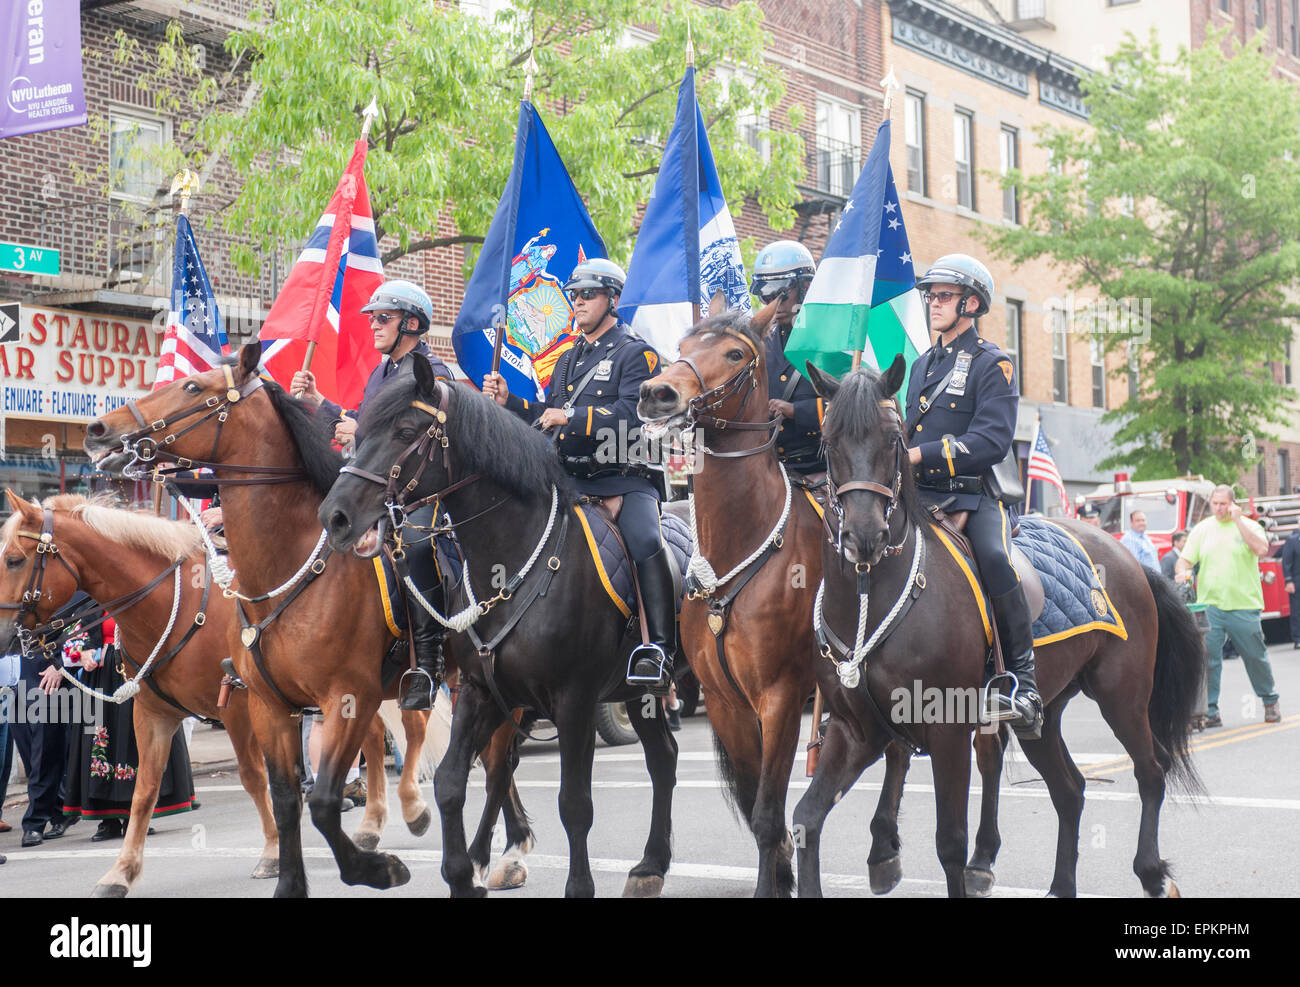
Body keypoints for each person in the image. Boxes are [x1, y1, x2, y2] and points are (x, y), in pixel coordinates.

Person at [482, 258, 674, 692]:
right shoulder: (568, 359)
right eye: (575, 295)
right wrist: (511, 402)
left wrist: (572, 415)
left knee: (645, 541)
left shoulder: (636, 353)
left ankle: (659, 648)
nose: (579, 302)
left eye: (588, 294)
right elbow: (545, 417)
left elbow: (634, 413)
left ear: (613, 299)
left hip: (624, 477)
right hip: (570, 483)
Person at [292, 279, 455, 711]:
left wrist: (357, 430)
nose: (374, 326)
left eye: (383, 318)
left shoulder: (431, 372)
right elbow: (363, 428)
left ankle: (429, 663)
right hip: (383, 493)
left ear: (412, 323)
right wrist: (319, 401)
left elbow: (404, 433)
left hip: (423, 493)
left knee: (416, 548)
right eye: (372, 319)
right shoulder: (381, 373)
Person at [903, 253, 1043, 738]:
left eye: (943, 295)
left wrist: (921, 455)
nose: (933, 303)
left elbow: (991, 441)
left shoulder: (993, 363)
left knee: (995, 559)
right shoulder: (921, 364)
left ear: (972, 303)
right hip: (919, 497)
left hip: (974, 495)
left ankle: (1021, 682)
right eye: (931, 295)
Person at [61, 614, 195, 840]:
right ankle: (107, 820)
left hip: (138, 675)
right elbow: (74, 634)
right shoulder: (92, 601)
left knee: (137, 741)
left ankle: (138, 815)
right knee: (101, 744)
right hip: (103, 679)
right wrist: (82, 652)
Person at [1175, 485, 1281, 726]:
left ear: (1233, 504)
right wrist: (1182, 572)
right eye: (1215, 503)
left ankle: (1269, 701)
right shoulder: (1202, 529)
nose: (1219, 508)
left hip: (1244, 604)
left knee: (1255, 657)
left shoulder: (1250, 526)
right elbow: (1184, 560)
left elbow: (1261, 549)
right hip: (1210, 606)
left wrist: (1239, 521)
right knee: (1208, 659)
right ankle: (1210, 711)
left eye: (1224, 504)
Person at [750, 241, 826, 480]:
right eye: (766, 296)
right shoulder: (763, 341)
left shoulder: (829, 342)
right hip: (768, 467)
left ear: (806, 286)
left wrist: (796, 411)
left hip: (821, 468)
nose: (773, 304)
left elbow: (853, 410)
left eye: (781, 294)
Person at [1282, 526, 1300, 648]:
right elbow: (1286, 562)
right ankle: (1298, 639)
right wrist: (1288, 581)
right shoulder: (1292, 541)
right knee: (1296, 611)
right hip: (1296, 580)